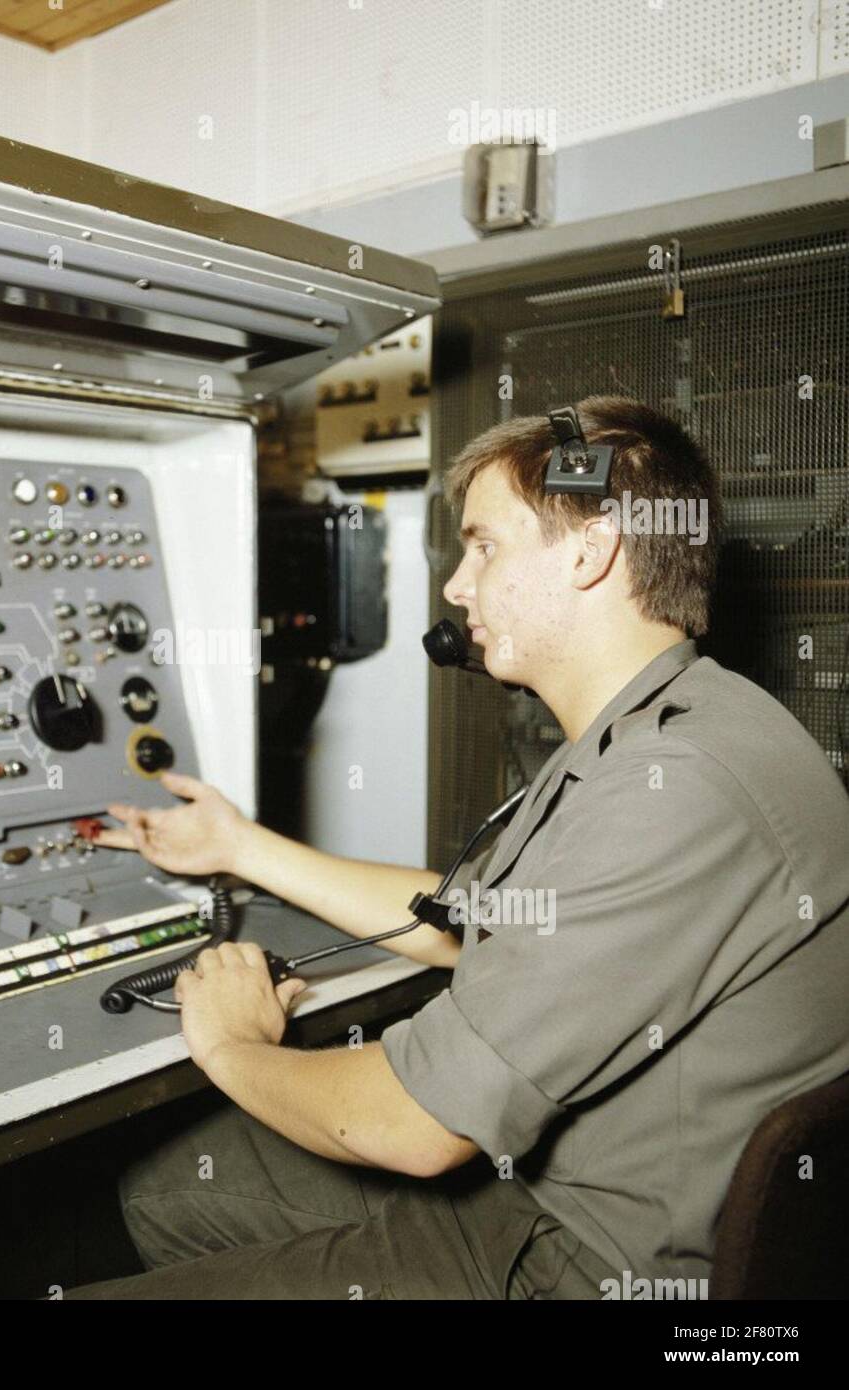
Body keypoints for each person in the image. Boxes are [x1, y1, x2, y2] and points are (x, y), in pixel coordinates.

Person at [65, 396, 849, 1300]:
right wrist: (236, 844)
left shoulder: (676, 786)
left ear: (588, 553)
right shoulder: (678, 726)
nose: (455, 585)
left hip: (584, 1261)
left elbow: (413, 1127)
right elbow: (460, 921)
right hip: (571, 1194)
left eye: (483, 545)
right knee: (168, 1186)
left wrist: (232, 1044)